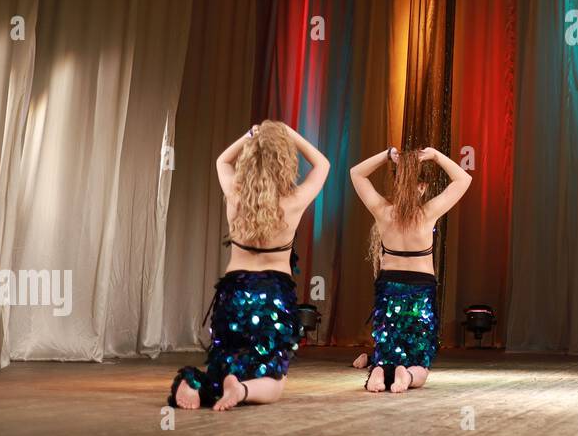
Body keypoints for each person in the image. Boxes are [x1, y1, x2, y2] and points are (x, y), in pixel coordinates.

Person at [167, 121, 329, 411]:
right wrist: (288, 134)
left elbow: (222, 160)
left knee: (223, 361)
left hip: (234, 291)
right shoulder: (292, 200)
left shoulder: (234, 192)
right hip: (272, 294)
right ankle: (240, 389)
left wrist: (252, 135)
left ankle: (197, 383)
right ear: (285, 161)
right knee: (273, 378)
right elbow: (322, 165)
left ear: (250, 158)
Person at [349, 145, 471, 393]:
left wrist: (386, 155)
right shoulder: (427, 214)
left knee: (388, 346)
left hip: (388, 288)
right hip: (420, 290)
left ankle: (381, 370)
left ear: (397, 186)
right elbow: (463, 179)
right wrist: (435, 156)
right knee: (420, 358)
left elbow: (356, 174)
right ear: (423, 187)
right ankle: (408, 375)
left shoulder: (382, 212)